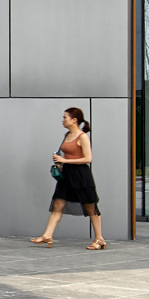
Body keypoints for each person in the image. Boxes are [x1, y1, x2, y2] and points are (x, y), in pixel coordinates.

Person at [30, 107, 106, 250]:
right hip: (66, 176)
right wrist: (60, 162)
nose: (63, 120)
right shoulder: (67, 135)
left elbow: (88, 158)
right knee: (58, 204)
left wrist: (65, 161)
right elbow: (68, 154)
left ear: (74, 120)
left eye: (65, 117)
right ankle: (47, 235)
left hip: (81, 176)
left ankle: (99, 239)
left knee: (91, 207)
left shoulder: (82, 136)